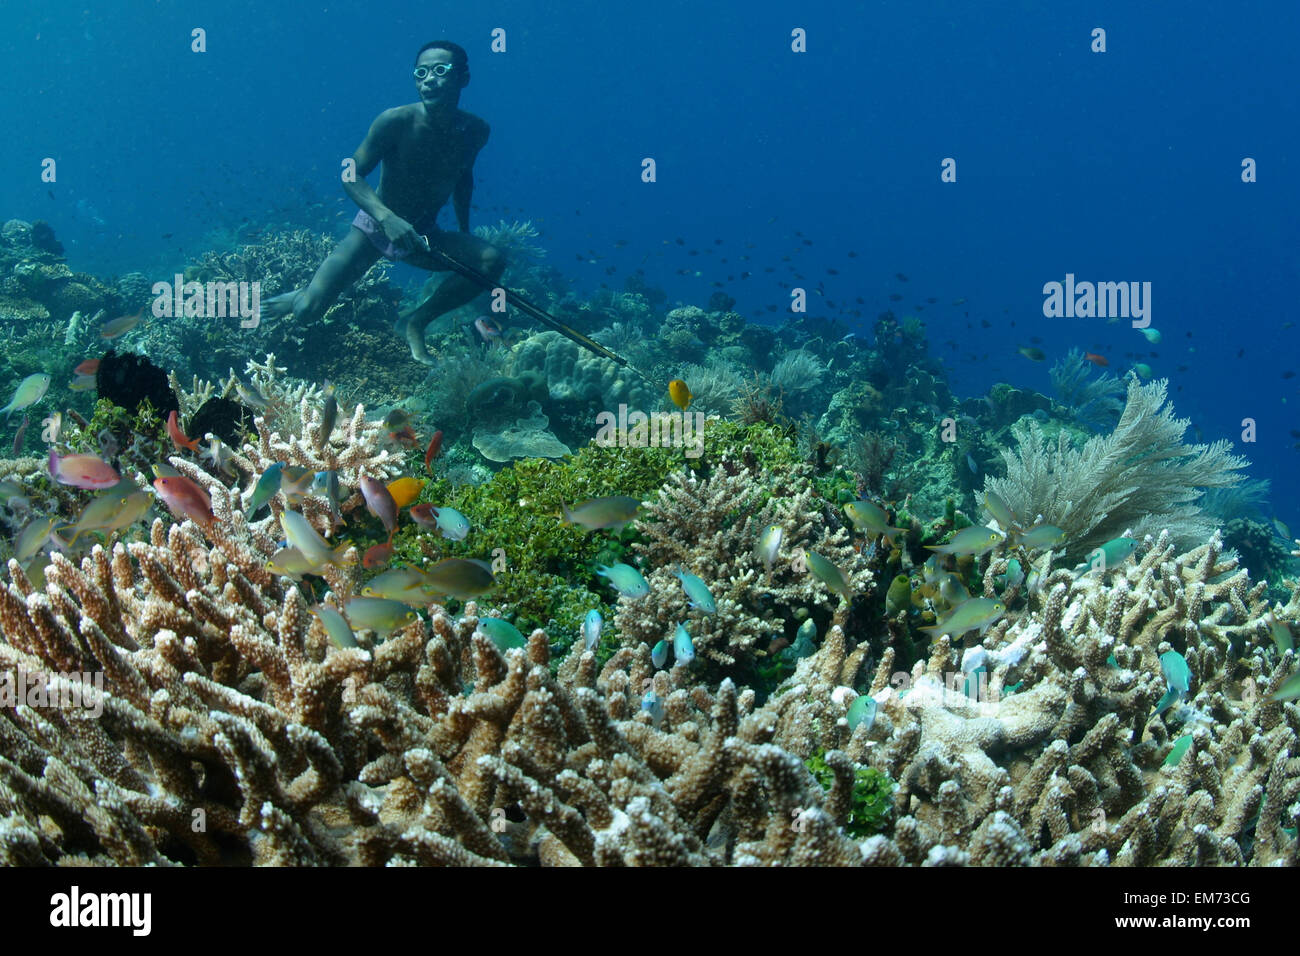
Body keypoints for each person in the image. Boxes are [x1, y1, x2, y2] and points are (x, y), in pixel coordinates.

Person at [262, 40, 504, 364]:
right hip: (373, 230)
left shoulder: (476, 131)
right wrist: (386, 217)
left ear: (463, 78)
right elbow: (350, 173)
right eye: (421, 73)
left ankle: (416, 321)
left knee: (491, 261)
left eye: (440, 70)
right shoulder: (395, 121)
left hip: (423, 236)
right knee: (308, 312)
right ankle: (302, 296)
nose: (429, 80)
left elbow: (464, 177)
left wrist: (464, 231)